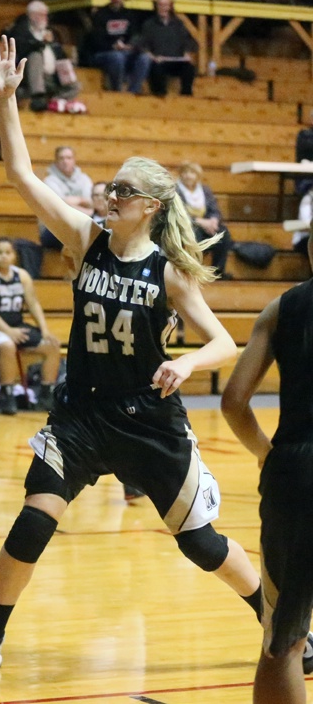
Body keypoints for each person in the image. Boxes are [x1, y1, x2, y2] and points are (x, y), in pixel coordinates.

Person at [0, 36, 287, 681]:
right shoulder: (85, 237)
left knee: (202, 545)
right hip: (82, 413)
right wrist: (5, 98)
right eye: (112, 185)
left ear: (151, 206)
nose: (111, 193)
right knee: (31, 524)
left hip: (148, 421)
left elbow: (225, 343)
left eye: (125, 189)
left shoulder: (169, 273)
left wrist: (187, 365)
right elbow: (20, 175)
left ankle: (274, 617)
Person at [221, 228, 313, 704]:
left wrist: (267, 453)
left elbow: (234, 401)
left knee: (284, 642)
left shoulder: (281, 309)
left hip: (297, 473)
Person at [0, 237, 61, 413]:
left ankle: (46, 395)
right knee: (7, 345)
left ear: (14, 255)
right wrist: (8, 331)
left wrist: (45, 330)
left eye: (7, 252)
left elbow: (33, 304)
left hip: (17, 326)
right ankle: (7, 395)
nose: (3, 256)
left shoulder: (22, 276)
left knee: (52, 346)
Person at [7, 0, 80, 112]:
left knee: (76, 86)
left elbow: (60, 55)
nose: (45, 18)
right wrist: (42, 43)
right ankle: (37, 97)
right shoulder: (21, 30)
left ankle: (53, 102)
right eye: (42, 15)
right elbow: (23, 50)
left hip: (51, 77)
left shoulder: (50, 32)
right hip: (28, 76)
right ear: (32, 15)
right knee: (35, 55)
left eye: (46, 15)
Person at [89, 0, 150, 94]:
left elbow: (135, 35)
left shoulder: (129, 14)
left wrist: (130, 45)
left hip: (125, 51)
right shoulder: (101, 14)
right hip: (104, 52)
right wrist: (113, 46)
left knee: (144, 58)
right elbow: (96, 41)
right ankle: (117, 91)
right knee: (117, 57)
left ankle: (133, 92)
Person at [175, 162, 231, 278]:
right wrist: (199, 222)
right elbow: (178, 213)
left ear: (197, 175)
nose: (188, 176)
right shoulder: (176, 190)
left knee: (223, 233)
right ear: (181, 174)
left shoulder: (205, 190)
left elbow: (215, 209)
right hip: (186, 226)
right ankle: (192, 271)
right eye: (185, 172)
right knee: (194, 234)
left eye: (192, 172)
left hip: (207, 225)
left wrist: (214, 221)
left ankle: (218, 271)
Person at [137, 0, 196, 97]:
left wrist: (187, 54)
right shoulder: (149, 24)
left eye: (166, 5)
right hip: (158, 61)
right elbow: (142, 45)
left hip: (176, 60)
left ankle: (186, 96)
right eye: (160, 5)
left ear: (170, 7)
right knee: (156, 69)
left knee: (189, 68)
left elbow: (188, 41)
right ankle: (160, 96)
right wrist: (153, 57)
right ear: (156, 6)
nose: (163, 8)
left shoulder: (178, 24)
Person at [40, 146, 94, 250]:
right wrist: (83, 205)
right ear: (56, 161)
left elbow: (92, 203)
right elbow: (59, 207)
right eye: (61, 158)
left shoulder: (84, 179)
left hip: (81, 224)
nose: (65, 161)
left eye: (68, 158)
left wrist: (73, 201)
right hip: (55, 229)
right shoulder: (49, 181)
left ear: (74, 160)